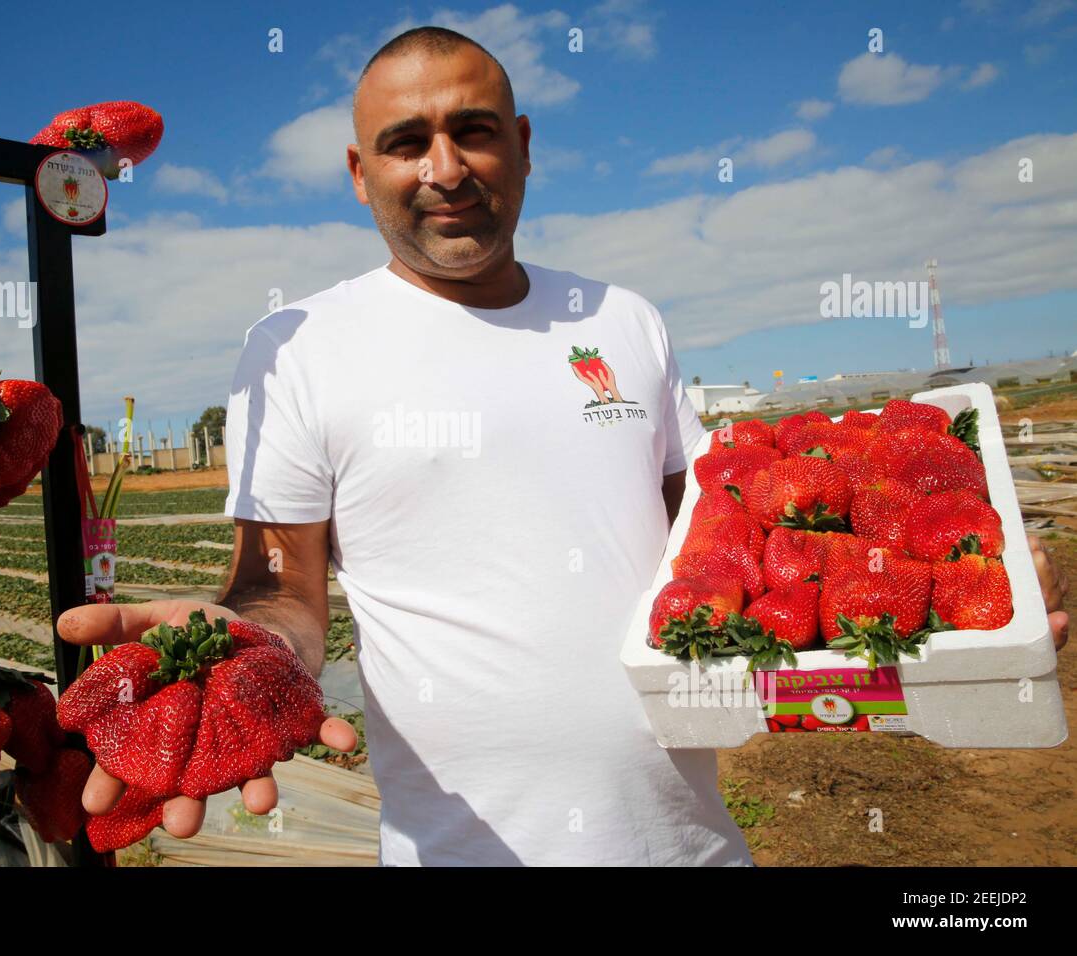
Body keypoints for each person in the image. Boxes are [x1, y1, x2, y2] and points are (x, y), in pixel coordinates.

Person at [57, 26, 1070, 865]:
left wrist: (935, 649)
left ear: (525, 144)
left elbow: (725, 557)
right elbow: (284, 584)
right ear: (360, 173)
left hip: (696, 847)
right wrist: (248, 642)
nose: (445, 168)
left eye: (475, 131)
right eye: (408, 142)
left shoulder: (625, 319)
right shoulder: (298, 348)